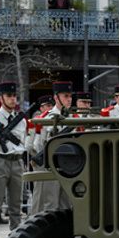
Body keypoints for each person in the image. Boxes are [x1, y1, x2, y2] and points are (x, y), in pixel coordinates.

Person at [0, 81, 28, 238]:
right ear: (1, 98)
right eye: (9, 96)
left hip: (17, 160)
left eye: (14, 96)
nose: (12, 99)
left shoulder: (21, 120)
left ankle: (16, 234)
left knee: (16, 203)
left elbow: (23, 142)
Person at [31, 81, 74, 214]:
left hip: (68, 166)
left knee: (66, 206)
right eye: (65, 96)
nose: (69, 99)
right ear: (56, 97)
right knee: (49, 204)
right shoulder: (45, 118)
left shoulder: (74, 117)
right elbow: (37, 145)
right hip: (50, 165)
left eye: (70, 96)